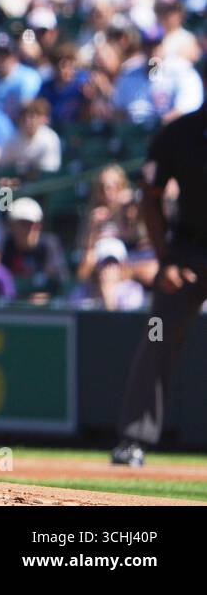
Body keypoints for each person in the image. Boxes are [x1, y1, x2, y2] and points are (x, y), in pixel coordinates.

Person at [112, 102, 207, 466]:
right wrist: (165, 260)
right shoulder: (179, 132)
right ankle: (133, 440)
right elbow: (150, 196)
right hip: (187, 254)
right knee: (158, 332)